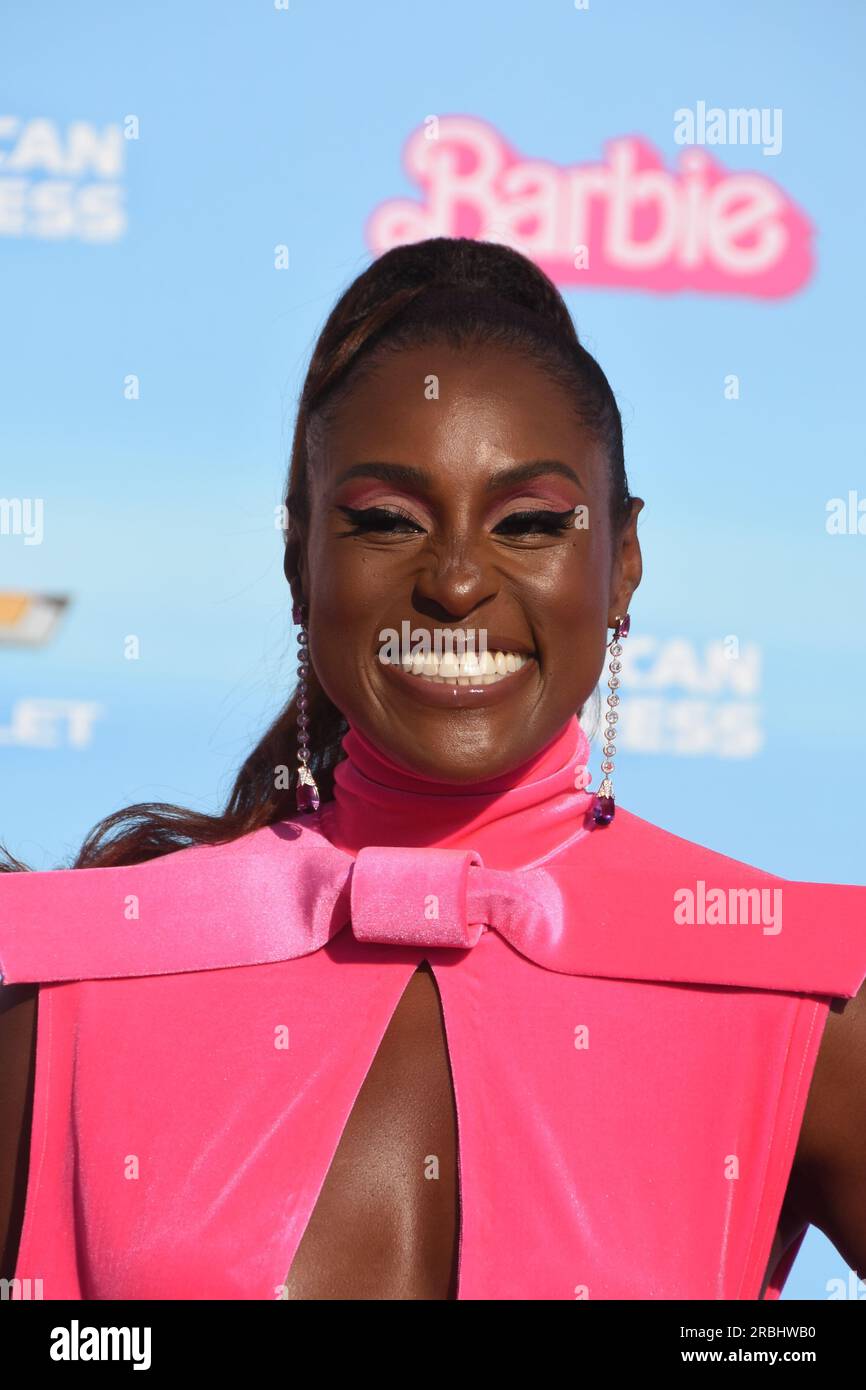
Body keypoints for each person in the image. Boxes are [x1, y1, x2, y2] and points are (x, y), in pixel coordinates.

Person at [1, 236, 864, 1301]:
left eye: (531, 523)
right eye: (385, 522)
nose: (455, 580)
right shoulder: (64, 989)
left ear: (621, 565)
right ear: (298, 560)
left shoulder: (794, 997)